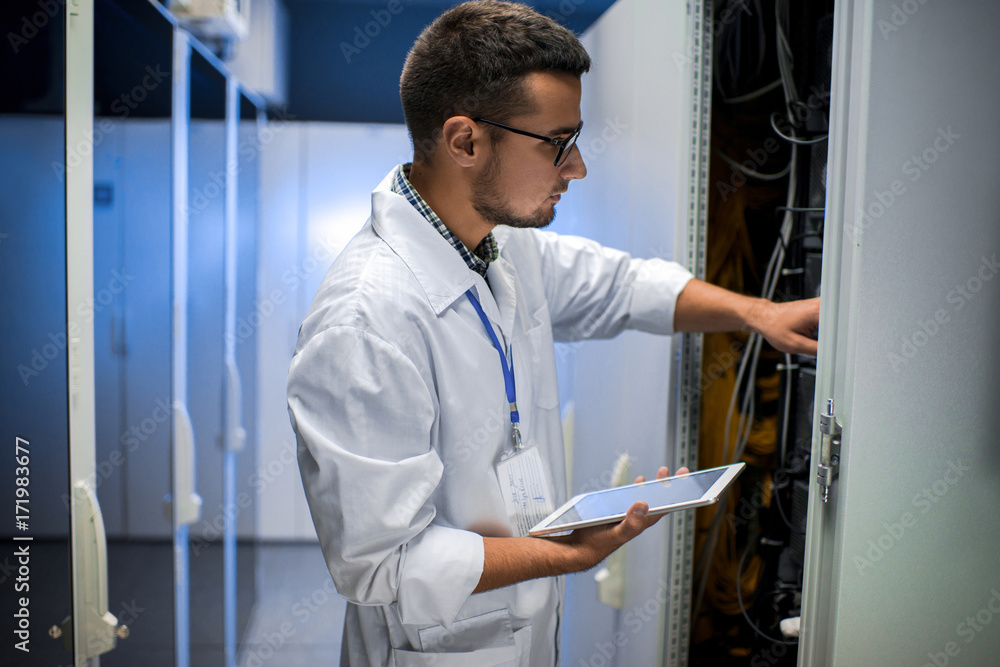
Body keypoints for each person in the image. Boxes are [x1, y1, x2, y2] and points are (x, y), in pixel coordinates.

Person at [286, 1, 819, 664]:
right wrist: (562, 551)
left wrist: (756, 313)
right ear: (465, 141)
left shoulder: (500, 245)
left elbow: (619, 286)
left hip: (525, 633)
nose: (578, 167)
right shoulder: (366, 320)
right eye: (557, 142)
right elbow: (379, 564)